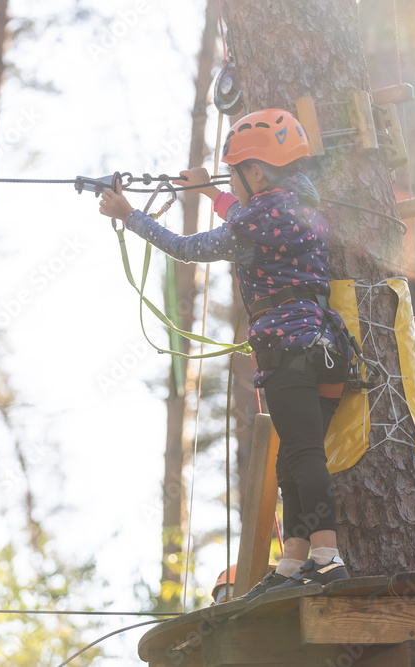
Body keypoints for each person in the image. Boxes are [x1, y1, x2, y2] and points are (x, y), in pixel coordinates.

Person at [99, 109, 352, 601]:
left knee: (301, 454)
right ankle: (294, 562)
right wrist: (206, 191)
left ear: (255, 172)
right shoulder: (300, 207)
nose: (231, 183)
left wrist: (128, 215)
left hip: (289, 352)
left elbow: (185, 247)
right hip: (325, 351)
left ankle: (326, 558)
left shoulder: (257, 218)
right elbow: (243, 217)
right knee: (293, 462)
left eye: (234, 172)